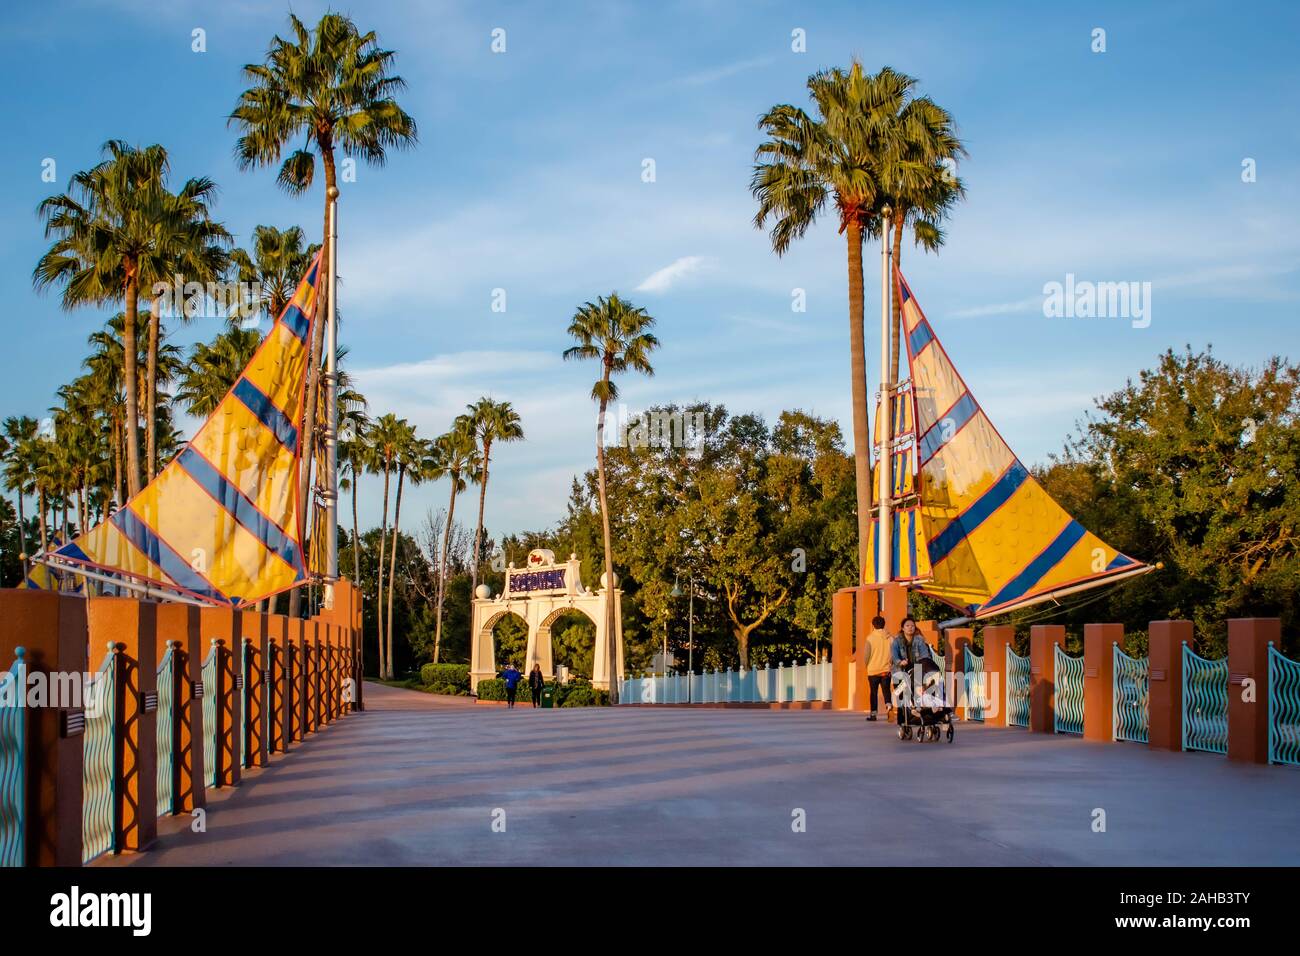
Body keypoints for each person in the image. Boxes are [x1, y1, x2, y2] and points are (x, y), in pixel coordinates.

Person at [889, 617, 932, 725]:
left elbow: (925, 654)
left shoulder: (919, 640)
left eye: (912, 626)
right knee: (901, 695)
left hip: (916, 670)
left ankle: (918, 711)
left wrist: (925, 662)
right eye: (907, 626)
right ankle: (902, 721)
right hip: (899, 671)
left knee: (918, 690)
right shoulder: (897, 641)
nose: (910, 628)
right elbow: (894, 655)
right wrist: (900, 661)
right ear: (902, 628)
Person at [863, 615, 892, 722]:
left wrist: (867, 665)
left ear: (873, 625)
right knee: (886, 690)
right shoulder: (890, 638)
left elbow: (866, 655)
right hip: (886, 670)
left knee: (873, 692)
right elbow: (893, 653)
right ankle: (889, 707)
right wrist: (890, 664)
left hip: (873, 670)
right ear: (884, 624)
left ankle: (873, 714)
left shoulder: (870, 638)